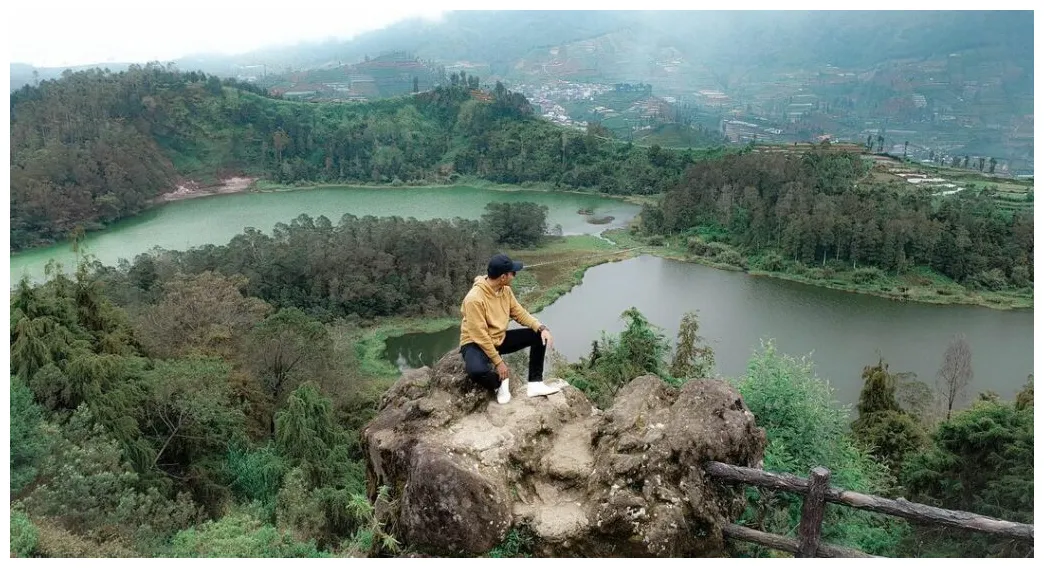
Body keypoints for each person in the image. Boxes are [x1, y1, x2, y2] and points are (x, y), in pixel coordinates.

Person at [459, 253, 562, 404]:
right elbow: (479, 335)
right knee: (476, 371)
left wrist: (541, 327)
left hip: (498, 338)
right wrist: (498, 362)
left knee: (538, 336)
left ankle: (535, 383)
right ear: (503, 277)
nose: (514, 276)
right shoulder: (474, 299)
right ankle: (499, 383)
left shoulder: (505, 290)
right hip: (475, 343)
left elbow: (519, 313)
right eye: (512, 273)